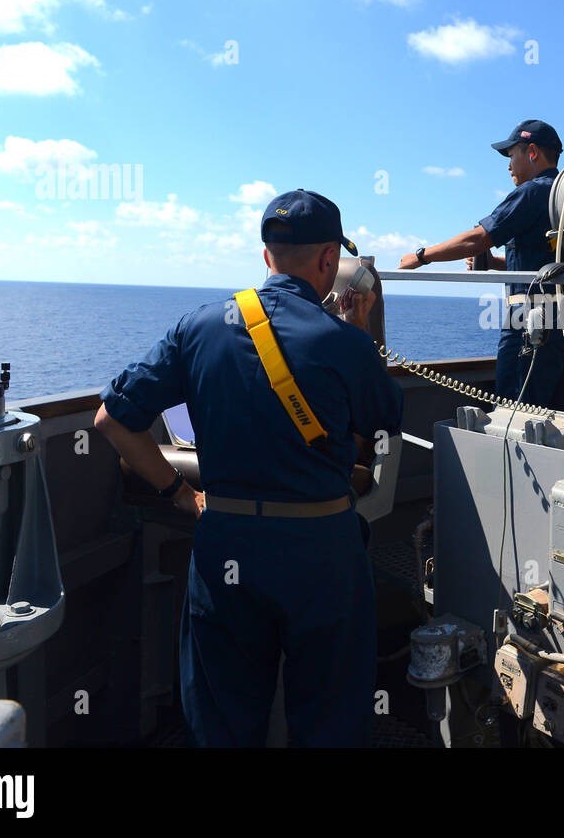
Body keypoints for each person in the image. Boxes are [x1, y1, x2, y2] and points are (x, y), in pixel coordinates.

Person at [94, 189, 403, 747]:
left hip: (228, 544)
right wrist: (362, 335)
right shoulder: (345, 343)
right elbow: (382, 426)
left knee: (222, 722)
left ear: (267, 257)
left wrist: (180, 497)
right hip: (322, 550)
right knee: (330, 719)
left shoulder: (199, 326)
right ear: (330, 260)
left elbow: (113, 421)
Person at [399, 120, 564, 412]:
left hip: (530, 320)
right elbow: (548, 259)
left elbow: (479, 237)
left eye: (512, 156)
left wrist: (422, 257)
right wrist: (497, 263)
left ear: (532, 152)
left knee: (518, 415)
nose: (509, 166)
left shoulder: (532, 192)